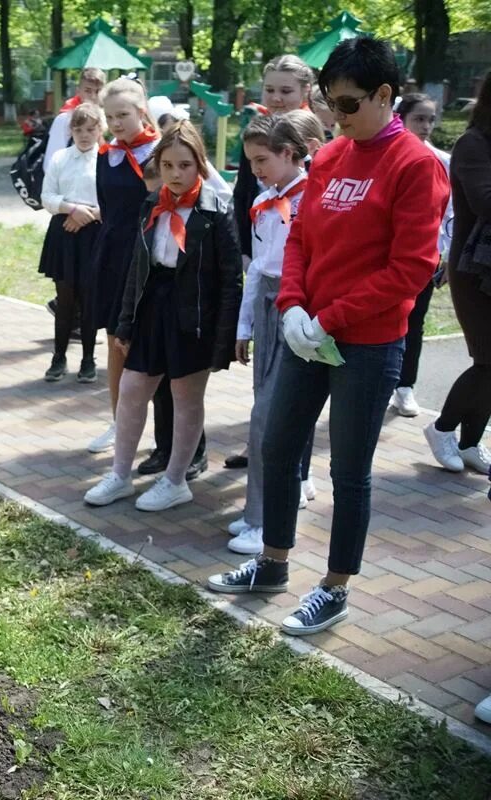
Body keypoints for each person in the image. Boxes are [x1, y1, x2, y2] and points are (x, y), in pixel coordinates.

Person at [207, 37, 450, 636]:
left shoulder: (415, 164)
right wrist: (292, 306)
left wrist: (330, 317)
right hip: (306, 332)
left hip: (365, 342)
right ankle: (273, 563)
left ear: (385, 95)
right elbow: (302, 240)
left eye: (346, 104)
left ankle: (335, 587)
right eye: (329, 103)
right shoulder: (334, 155)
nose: (334, 117)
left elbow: (412, 268)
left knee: (349, 471)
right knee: (278, 446)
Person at [83, 121, 241, 512]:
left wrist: (223, 339)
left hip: (193, 313)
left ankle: (175, 480)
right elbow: (137, 269)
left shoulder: (216, 211)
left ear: (200, 166)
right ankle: (120, 475)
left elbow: (230, 280)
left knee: (186, 397)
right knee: (134, 388)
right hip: (153, 305)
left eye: (184, 165)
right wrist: (125, 322)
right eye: (168, 165)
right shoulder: (150, 204)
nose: (175, 173)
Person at [227, 114, 312, 555]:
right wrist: (244, 326)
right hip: (266, 310)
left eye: (262, 159)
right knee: (263, 410)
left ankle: (265, 520)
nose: (256, 169)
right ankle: (258, 510)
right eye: (250, 161)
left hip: (297, 308)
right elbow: (257, 270)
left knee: (270, 419)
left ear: (289, 153)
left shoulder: (312, 198)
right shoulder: (263, 203)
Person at [83, 77, 160, 454]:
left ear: (141, 112)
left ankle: (166, 438)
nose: (116, 123)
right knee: (115, 342)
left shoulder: (162, 153)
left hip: (151, 257)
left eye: (124, 115)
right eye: (110, 117)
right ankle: (119, 423)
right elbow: (107, 206)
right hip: (114, 257)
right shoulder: (105, 154)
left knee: (150, 345)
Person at [424, 70, 491, 476]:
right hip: (473, 269)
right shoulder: (473, 144)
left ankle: (469, 442)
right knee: (488, 360)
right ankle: (442, 428)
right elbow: (485, 202)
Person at [390, 93, 454, 418]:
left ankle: (404, 386)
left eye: (431, 119)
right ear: (400, 118)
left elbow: (452, 213)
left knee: (414, 323)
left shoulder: (441, 161)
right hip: (388, 258)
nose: (427, 126)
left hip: (426, 259)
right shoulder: (388, 156)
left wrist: (447, 255)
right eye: (420, 119)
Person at [38, 102, 104, 383]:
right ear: (71, 131)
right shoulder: (60, 159)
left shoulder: (108, 159)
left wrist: (88, 215)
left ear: (100, 129)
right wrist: (70, 209)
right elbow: (47, 196)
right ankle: (59, 356)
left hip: (94, 231)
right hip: (64, 231)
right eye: (78, 129)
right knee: (65, 299)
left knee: (89, 298)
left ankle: (88, 358)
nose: (84, 135)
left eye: (90, 129)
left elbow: (113, 199)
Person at [234, 56, 315, 274]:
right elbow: (243, 193)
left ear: (305, 91)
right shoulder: (255, 133)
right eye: (269, 90)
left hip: (303, 256)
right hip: (260, 247)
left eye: (286, 91)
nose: (276, 98)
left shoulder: (315, 136)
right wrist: (244, 250)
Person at [43, 67, 106, 172]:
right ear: (78, 91)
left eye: (98, 91)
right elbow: (51, 163)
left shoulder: (107, 118)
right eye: (88, 91)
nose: (93, 96)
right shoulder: (65, 118)